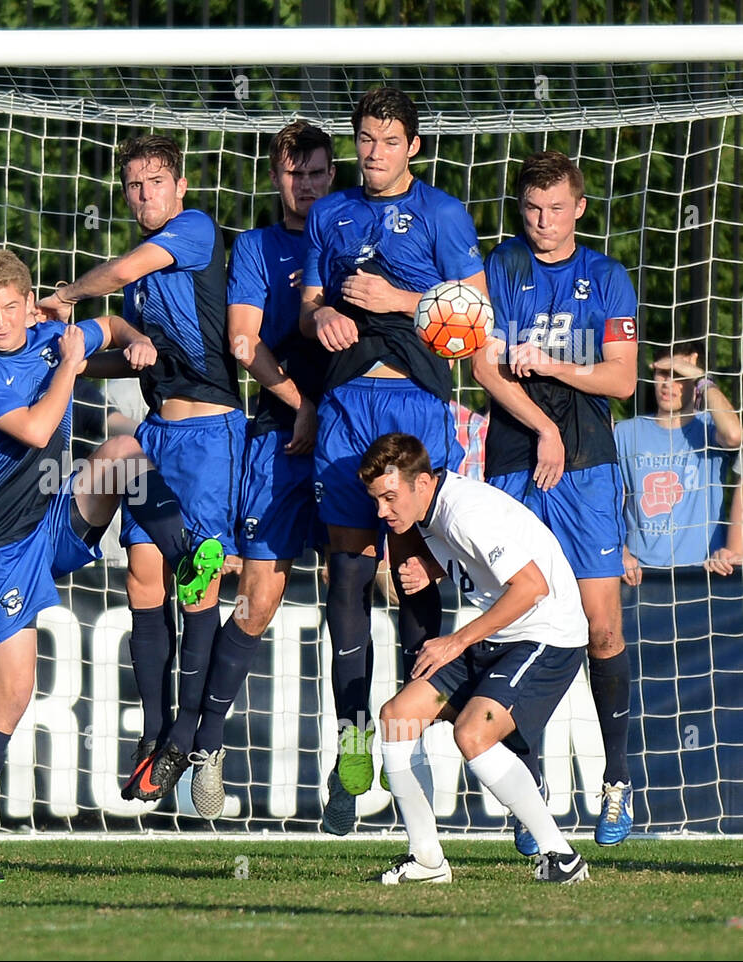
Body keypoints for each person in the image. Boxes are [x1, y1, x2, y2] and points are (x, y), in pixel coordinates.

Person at [0, 248, 221, 878]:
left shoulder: (47, 335)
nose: (0, 322)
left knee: (124, 447)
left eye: (11, 307)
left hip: (56, 512)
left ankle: (184, 561)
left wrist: (137, 340)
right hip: (5, 545)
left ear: (27, 301)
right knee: (12, 696)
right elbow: (41, 430)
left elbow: (112, 329)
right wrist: (72, 363)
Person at [297, 87, 485, 833]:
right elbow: (310, 305)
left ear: (413, 144)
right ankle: (350, 746)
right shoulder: (328, 212)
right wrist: (327, 316)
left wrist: (398, 299)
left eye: (385, 139)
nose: (372, 152)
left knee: (413, 571)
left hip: (413, 405)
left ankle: (413, 741)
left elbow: (472, 324)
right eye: (364, 139)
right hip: (347, 407)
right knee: (345, 572)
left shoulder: (442, 213)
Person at [35, 134, 241, 806]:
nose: (144, 193)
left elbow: (118, 273)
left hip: (209, 432)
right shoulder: (146, 286)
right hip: (157, 429)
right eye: (132, 185)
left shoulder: (194, 230)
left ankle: (190, 734)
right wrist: (65, 362)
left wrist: (63, 294)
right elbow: (131, 356)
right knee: (143, 575)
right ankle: (155, 736)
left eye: (155, 181)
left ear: (179, 188)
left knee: (198, 583)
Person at [472, 149, 640, 849]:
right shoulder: (497, 268)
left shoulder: (606, 277)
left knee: (602, 627)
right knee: (520, 622)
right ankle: (529, 788)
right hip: (516, 458)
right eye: (532, 209)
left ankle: (617, 784)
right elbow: (482, 362)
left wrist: (555, 368)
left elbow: (624, 380)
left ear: (579, 207)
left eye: (556, 209)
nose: (543, 222)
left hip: (588, 466)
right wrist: (543, 425)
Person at [167, 121, 334, 820]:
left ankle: (357, 757)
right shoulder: (258, 246)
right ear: (276, 177)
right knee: (259, 601)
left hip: (358, 432)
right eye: (294, 174)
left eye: (318, 173)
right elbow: (243, 341)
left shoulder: (358, 230)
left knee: (368, 589)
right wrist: (301, 406)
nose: (305, 185)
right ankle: (207, 741)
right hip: (283, 435)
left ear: (334, 174)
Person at [360, 433, 591, 884]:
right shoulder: (431, 513)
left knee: (473, 735)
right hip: (504, 632)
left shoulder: (464, 511)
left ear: (422, 482)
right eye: (377, 501)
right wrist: (432, 567)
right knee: (397, 717)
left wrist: (455, 641)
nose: (383, 511)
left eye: (390, 497)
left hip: (548, 633)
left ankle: (561, 856)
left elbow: (531, 587)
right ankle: (427, 860)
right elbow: (480, 564)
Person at [616, 347, 741, 579]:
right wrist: (618, 550)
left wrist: (702, 378)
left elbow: (735, 435)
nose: (668, 383)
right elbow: (608, 501)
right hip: (639, 575)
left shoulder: (709, 431)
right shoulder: (624, 433)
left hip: (702, 574)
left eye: (680, 375)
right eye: (663, 373)